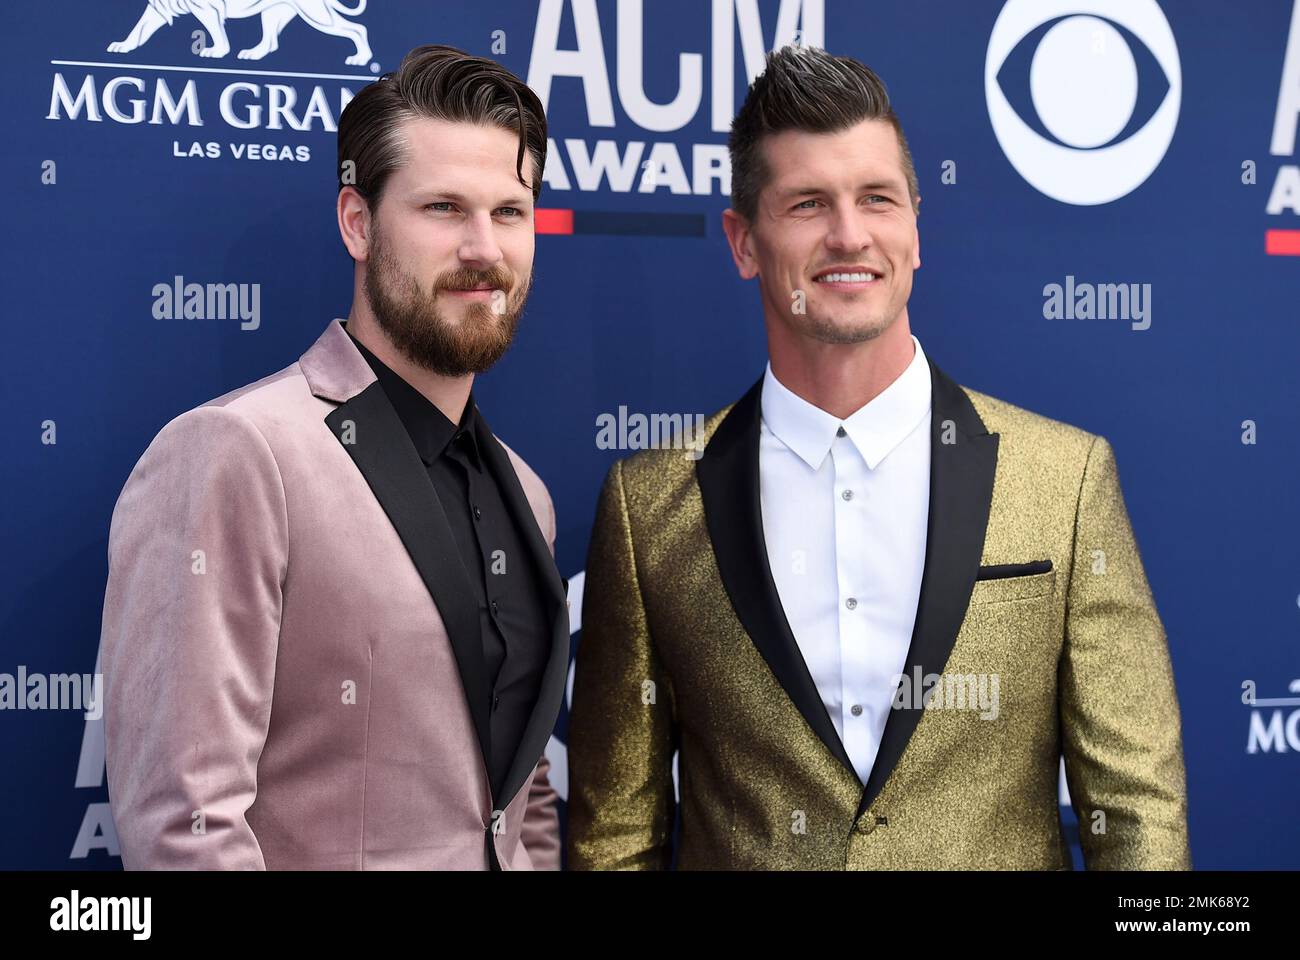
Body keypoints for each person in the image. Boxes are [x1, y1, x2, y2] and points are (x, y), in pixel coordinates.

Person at [567, 44, 1190, 870]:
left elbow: (1137, 810)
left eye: (877, 199)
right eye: (808, 205)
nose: (849, 235)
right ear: (744, 242)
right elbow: (615, 837)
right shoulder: (647, 508)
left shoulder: (1067, 482)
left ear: (915, 230)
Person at [101, 45, 568, 870]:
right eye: (443, 209)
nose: (482, 248)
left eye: (509, 212)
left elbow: (517, 811)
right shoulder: (240, 454)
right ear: (358, 222)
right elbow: (186, 827)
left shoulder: (525, 495)